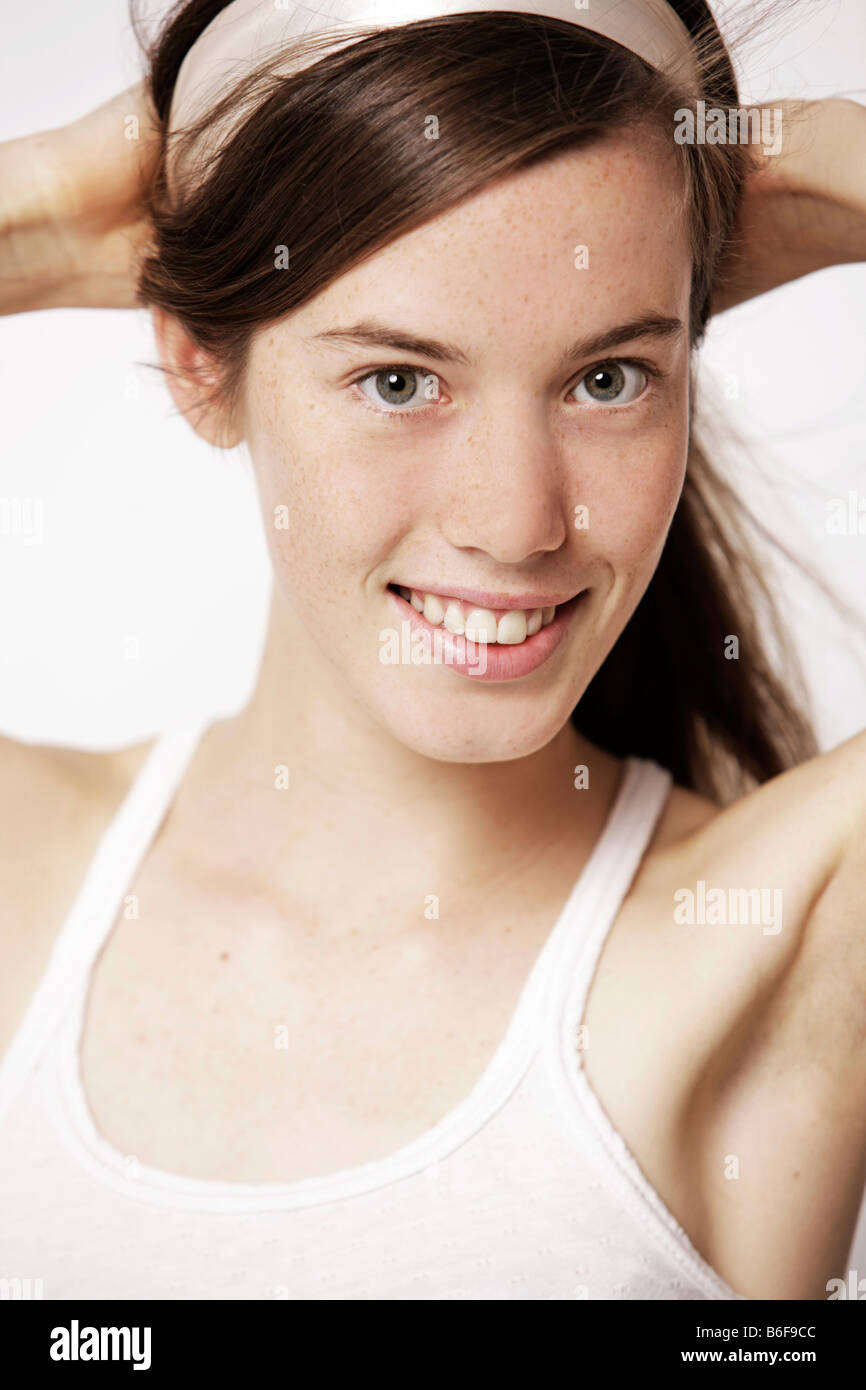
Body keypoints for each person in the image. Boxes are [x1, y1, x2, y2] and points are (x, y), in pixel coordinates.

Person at [0, 0, 864, 1302]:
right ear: (198, 361)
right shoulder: (20, 869)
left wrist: (776, 164)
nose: (514, 521)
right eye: (399, 380)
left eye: (609, 376)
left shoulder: (785, 930)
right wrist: (51, 209)